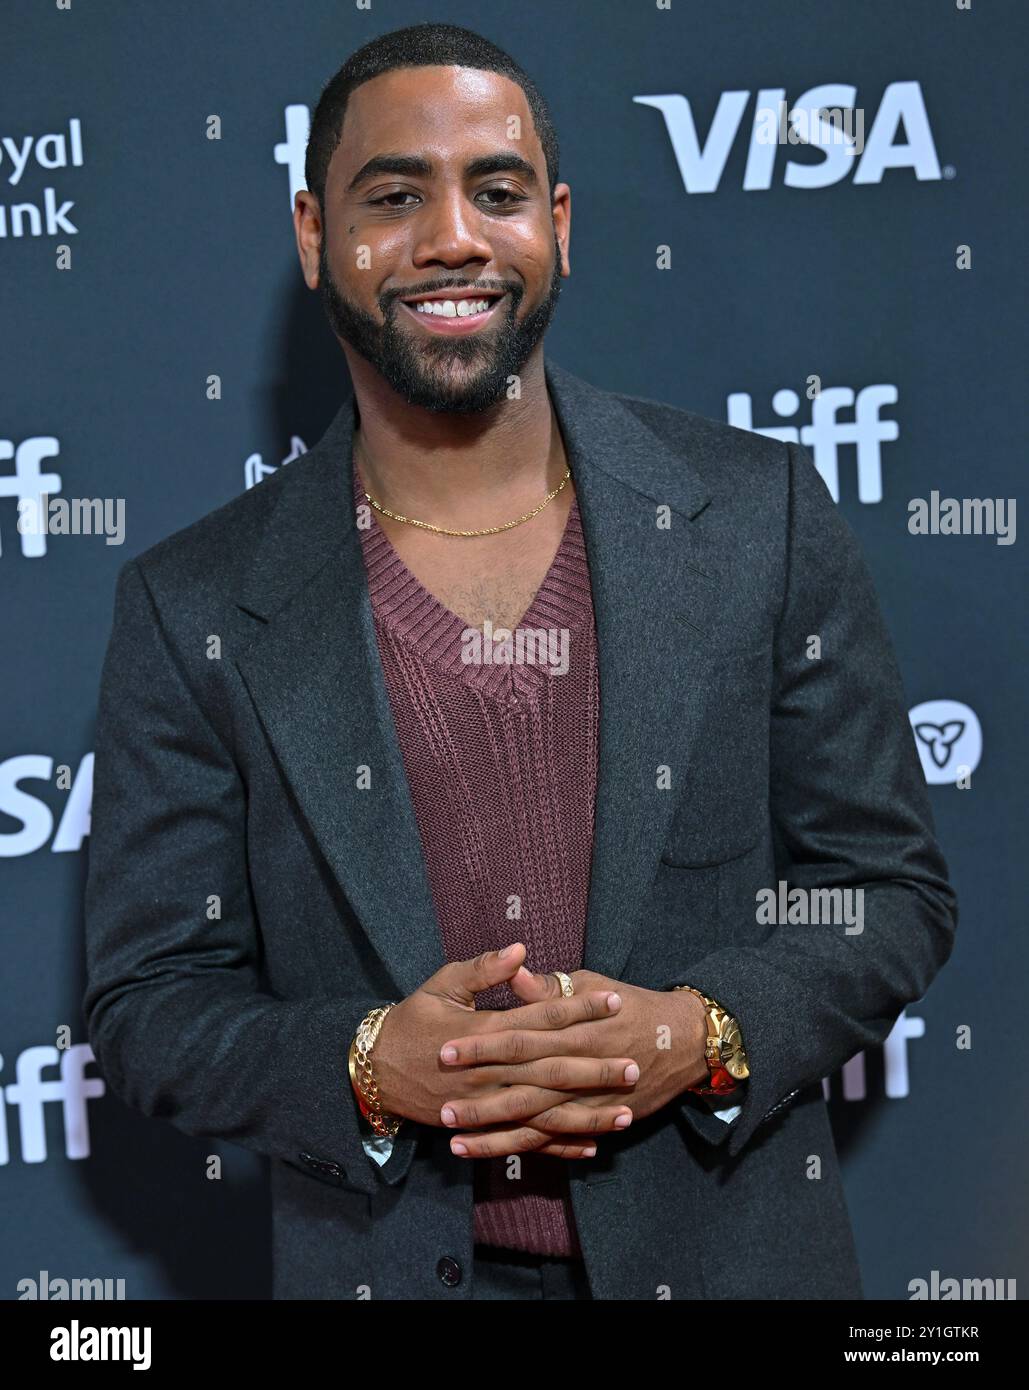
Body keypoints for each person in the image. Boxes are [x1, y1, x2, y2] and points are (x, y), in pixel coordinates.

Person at [83, 22, 958, 1301]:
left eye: (496, 192)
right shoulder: (193, 603)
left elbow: (888, 889)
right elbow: (152, 1002)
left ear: (556, 223)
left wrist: (700, 1033)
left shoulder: (752, 515)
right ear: (315, 234)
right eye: (394, 195)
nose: (452, 237)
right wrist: (369, 1061)